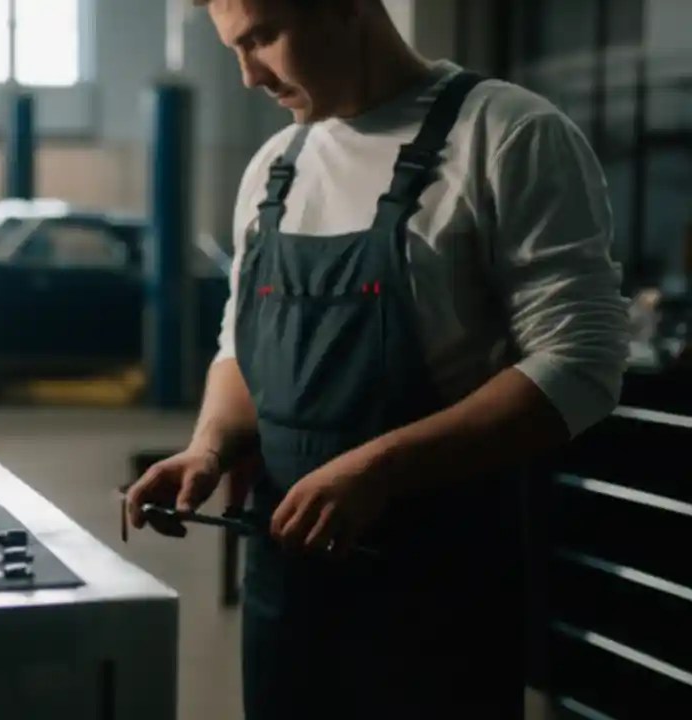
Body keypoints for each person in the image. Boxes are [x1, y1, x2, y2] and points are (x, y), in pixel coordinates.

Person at [124, 0, 630, 717]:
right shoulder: (277, 167)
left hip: (436, 599)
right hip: (287, 595)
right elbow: (240, 346)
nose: (246, 75)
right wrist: (207, 447)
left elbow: (581, 364)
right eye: (235, 47)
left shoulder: (508, 135)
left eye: (263, 39)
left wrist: (381, 468)